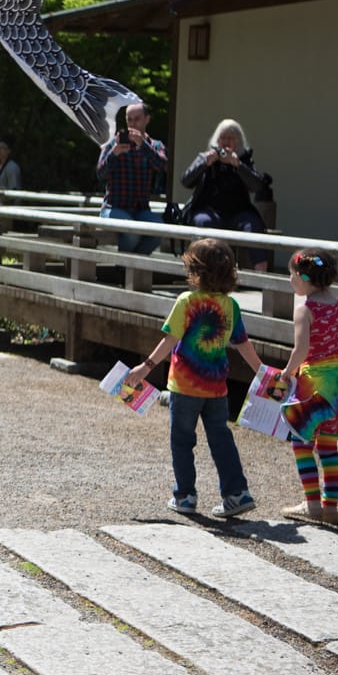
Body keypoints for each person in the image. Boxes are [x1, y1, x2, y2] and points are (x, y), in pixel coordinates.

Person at [127, 238, 263, 518]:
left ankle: (185, 496)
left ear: (197, 271)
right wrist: (264, 373)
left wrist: (145, 367)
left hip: (185, 386)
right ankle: (236, 493)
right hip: (217, 387)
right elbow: (243, 344)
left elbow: (169, 340)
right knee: (221, 439)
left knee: (182, 440)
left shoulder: (186, 302)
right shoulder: (230, 305)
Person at [276, 249, 338, 525]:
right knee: (329, 447)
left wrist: (286, 373)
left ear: (303, 277)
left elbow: (301, 350)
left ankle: (312, 504)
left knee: (301, 444)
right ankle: (331, 508)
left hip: (313, 385)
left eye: (292, 275)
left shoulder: (304, 310)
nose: (290, 280)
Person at [180, 119, 272, 270]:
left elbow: (257, 186)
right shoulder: (206, 157)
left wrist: (238, 165)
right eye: (223, 137)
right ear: (217, 140)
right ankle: (203, 272)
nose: (226, 142)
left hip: (239, 212)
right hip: (209, 211)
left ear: (238, 141)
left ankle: (261, 274)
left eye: (230, 138)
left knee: (254, 225)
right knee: (203, 222)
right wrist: (204, 164)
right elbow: (185, 181)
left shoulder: (244, 159)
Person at [97, 102, 167, 254]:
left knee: (160, 231)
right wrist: (114, 154)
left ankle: (130, 265)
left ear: (147, 119)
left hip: (141, 210)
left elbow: (162, 165)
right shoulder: (113, 143)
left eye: (137, 119)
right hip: (113, 208)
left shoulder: (155, 145)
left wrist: (142, 144)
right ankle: (126, 266)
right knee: (132, 233)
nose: (133, 123)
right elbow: (100, 174)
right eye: (129, 119)